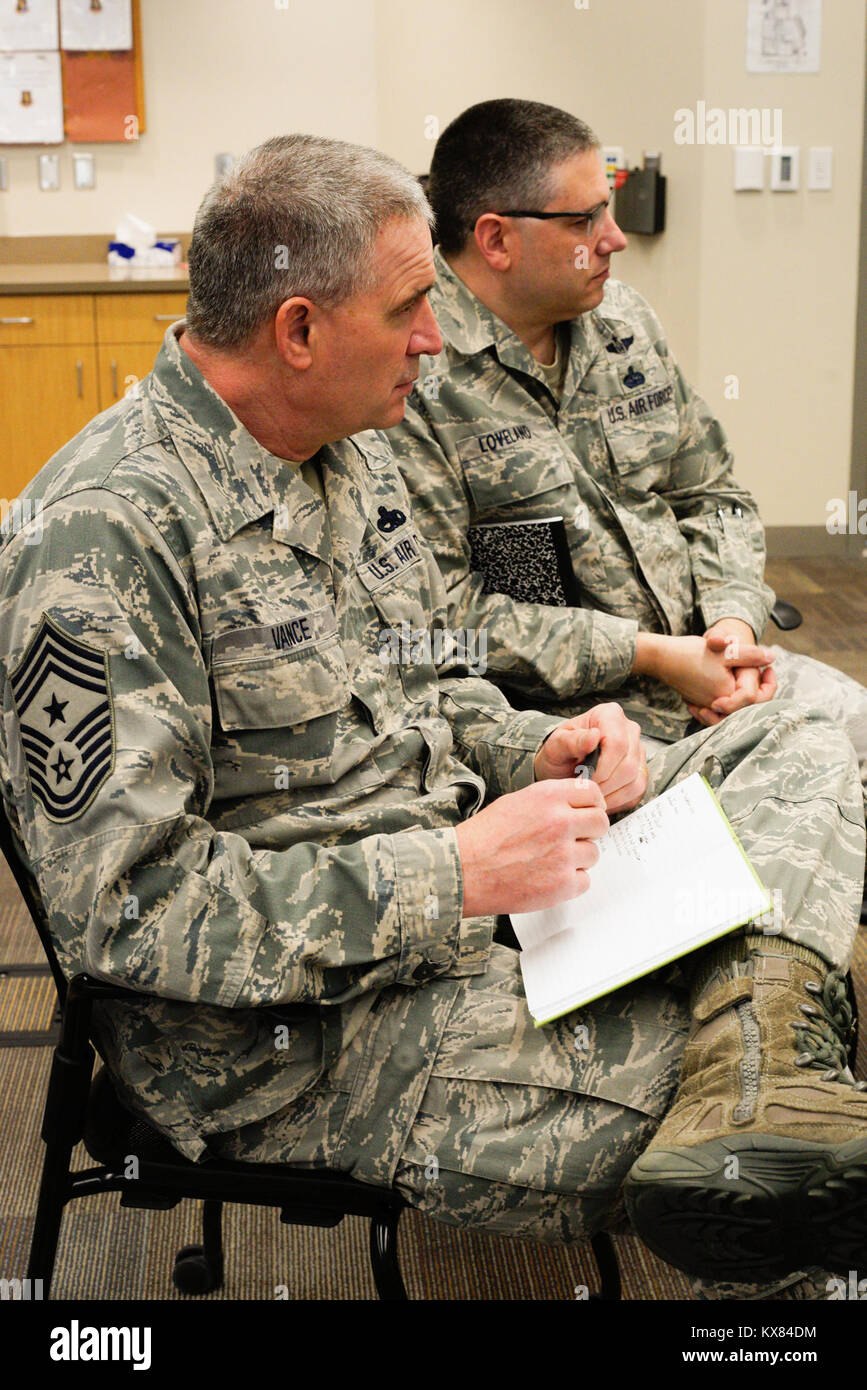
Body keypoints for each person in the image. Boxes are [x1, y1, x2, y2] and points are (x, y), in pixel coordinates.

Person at [0, 134, 864, 1296]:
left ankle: (749, 1036)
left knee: (808, 727)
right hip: (294, 1038)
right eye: (411, 304)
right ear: (299, 330)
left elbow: (421, 678)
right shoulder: (102, 536)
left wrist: (537, 745)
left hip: (478, 908)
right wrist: (452, 874)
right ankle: (750, 1048)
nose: (436, 335)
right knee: (775, 1149)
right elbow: (127, 909)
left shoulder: (346, 454)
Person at [389, 98, 867, 802]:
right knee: (797, 814)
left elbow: (712, 495)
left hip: (709, 666)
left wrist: (730, 630)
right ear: (495, 240)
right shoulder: (412, 373)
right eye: (585, 220)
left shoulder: (623, 322)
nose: (613, 238)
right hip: (566, 724)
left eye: (608, 209)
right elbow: (443, 622)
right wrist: (652, 656)